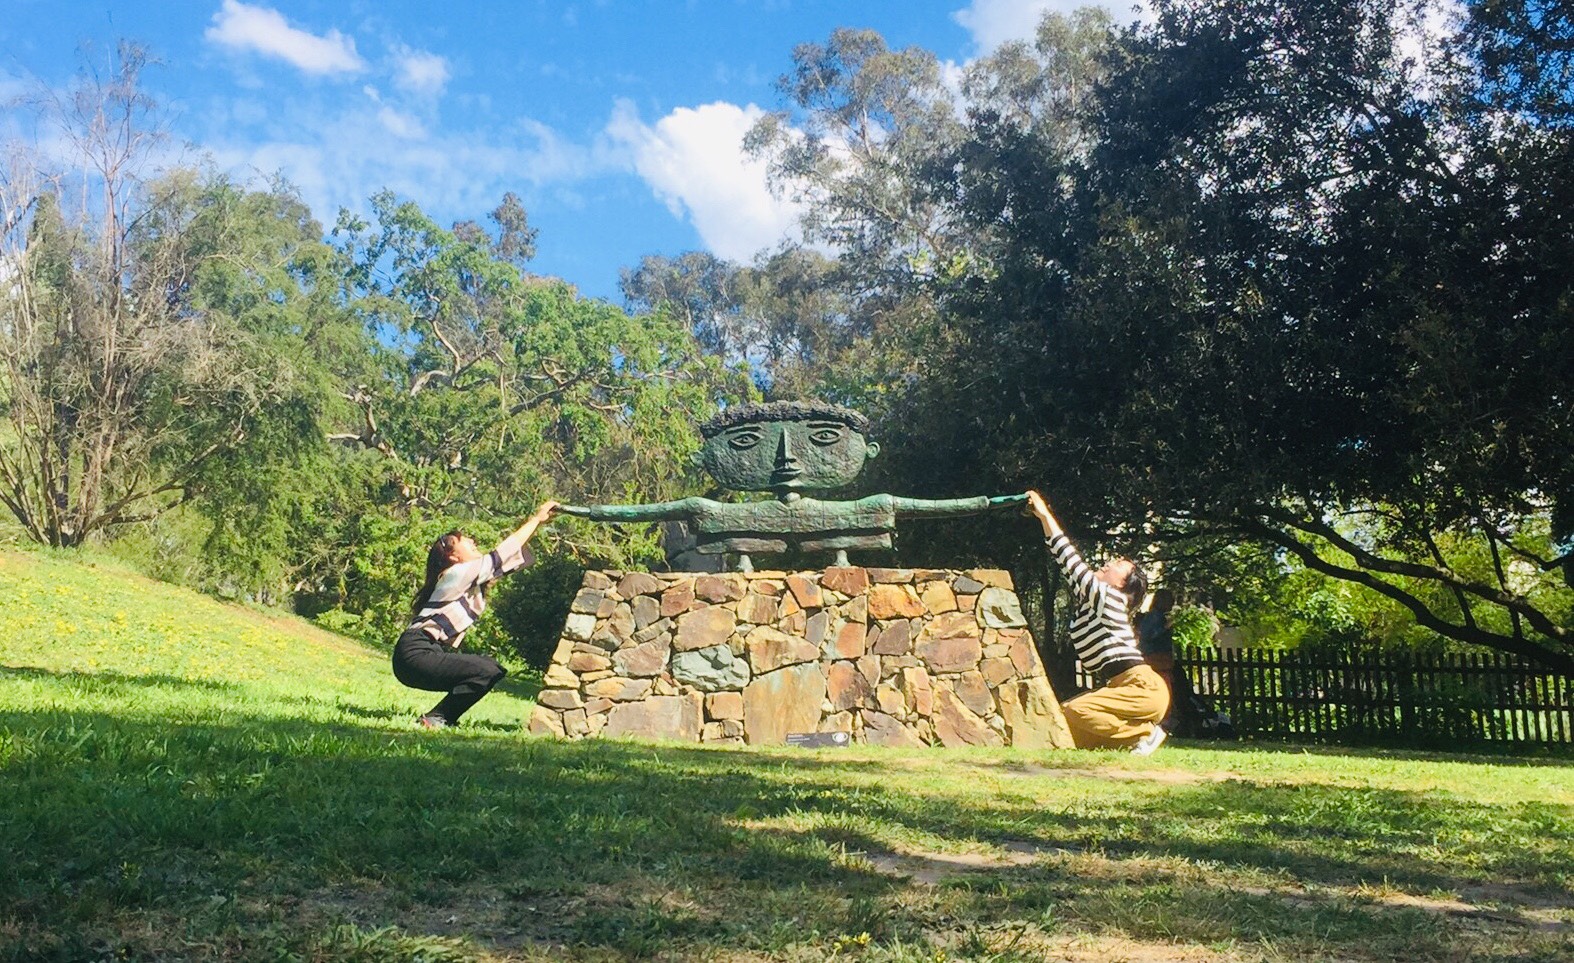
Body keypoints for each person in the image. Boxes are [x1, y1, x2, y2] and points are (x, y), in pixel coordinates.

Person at [1026, 490, 1169, 754]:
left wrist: (1044, 514)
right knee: (1066, 723)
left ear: (1120, 584)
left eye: (1115, 565)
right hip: (1123, 689)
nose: (1106, 564)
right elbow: (1072, 573)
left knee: (1075, 710)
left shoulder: (1109, 597)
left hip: (1140, 688)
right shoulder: (1095, 600)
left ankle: (1143, 735)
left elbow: (1067, 558)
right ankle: (1133, 740)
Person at [394, 500, 560, 728]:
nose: (472, 541)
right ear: (453, 556)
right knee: (487, 669)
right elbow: (502, 554)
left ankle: (440, 717)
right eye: (463, 540)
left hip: (421, 654)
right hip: (415, 653)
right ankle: (437, 718)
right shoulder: (455, 573)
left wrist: (539, 525)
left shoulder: (467, 580)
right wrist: (536, 519)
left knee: (489, 669)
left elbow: (513, 557)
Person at [1138, 588, 1179, 727]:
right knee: (1162, 687)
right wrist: (1167, 627)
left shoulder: (1159, 616)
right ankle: (1162, 718)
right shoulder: (1154, 617)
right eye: (1169, 601)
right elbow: (1149, 636)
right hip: (1156, 658)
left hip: (1162, 659)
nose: (1172, 604)